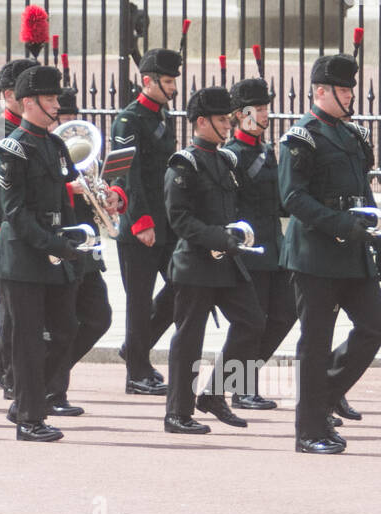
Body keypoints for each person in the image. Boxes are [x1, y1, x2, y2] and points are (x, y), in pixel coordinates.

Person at [279, 52, 381, 454]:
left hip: (354, 254)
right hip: (316, 254)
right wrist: (341, 223)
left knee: (374, 326)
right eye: (342, 90)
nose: (349, 96)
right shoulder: (301, 136)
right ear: (320, 91)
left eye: (350, 89)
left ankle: (323, 395)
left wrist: (378, 242)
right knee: (316, 341)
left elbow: (363, 194)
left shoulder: (354, 135)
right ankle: (308, 431)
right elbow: (292, 198)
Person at [0, 64, 94, 443]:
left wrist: (79, 236)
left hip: (55, 250)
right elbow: (15, 213)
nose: (57, 104)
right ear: (28, 103)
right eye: (50, 99)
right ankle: (30, 419)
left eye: (55, 97)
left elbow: (66, 199)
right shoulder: (11, 149)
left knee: (66, 330)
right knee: (28, 339)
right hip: (23, 257)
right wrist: (55, 245)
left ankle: (26, 400)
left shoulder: (54, 145)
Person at [162, 86, 264, 434]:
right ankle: (178, 413)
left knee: (253, 323)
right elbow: (180, 219)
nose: (228, 125)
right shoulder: (184, 163)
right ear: (202, 122)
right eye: (222, 120)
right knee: (189, 338)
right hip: (195, 263)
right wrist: (219, 237)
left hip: (227, 262)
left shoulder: (226, 160)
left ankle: (215, 393)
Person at [110, 49, 181, 395]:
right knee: (139, 300)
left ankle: (135, 349)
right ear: (148, 81)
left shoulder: (162, 115)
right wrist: (140, 222)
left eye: (173, 82)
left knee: (181, 286)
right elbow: (127, 174)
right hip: (140, 226)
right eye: (167, 82)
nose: (173, 88)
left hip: (166, 223)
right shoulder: (129, 119)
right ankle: (136, 373)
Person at [224, 75, 294, 409]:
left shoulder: (266, 150)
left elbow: (278, 200)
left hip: (273, 248)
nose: (266, 114)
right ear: (240, 114)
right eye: (259, 109)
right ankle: (241, 388)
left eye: (267, 108)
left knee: (284, 314)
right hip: (249, 252)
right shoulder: (231, 155)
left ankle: (239, 379)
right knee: (253, 321)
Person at [45, 87, 115, 416]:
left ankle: (43, 375)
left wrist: (111, 196)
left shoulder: (81, 149)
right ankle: (50, 388)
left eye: (72, 116)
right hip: (60, 242)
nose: (69, 122)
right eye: (63, 116)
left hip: (87, 245)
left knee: (99, 317)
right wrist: (66, 189)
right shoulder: (42, 149)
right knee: (62, 323)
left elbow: (103, 184)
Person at [0, 57, 38, 398]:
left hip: (30, 229)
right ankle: (10, 372)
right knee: (10, 308)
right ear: (8, 94)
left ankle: (0, 357)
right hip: (4, 231)